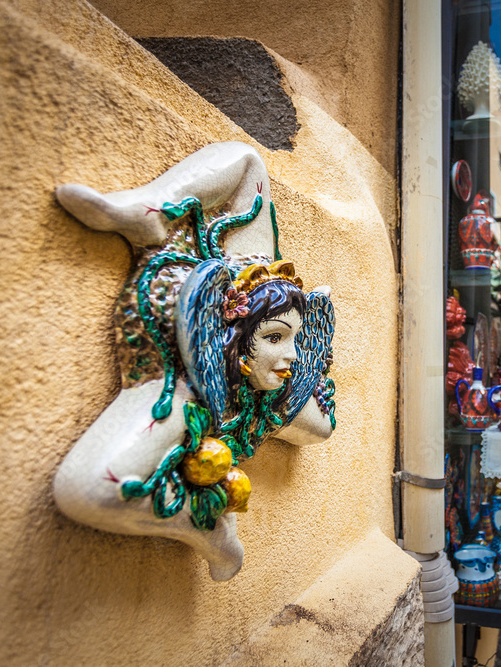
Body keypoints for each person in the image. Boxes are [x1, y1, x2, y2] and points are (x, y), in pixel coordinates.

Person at [52, 143, 336, 581]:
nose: (291, 357)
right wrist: (163, 207)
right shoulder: (184, 399)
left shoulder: (256, 281)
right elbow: (92, 491)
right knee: (89, 489)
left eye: (294, 338)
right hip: (203, 375)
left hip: (263, 402)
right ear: (230, 336)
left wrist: (293, 369)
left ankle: (212, 530)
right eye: (275, 337)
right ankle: (150, 211)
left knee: (320, 427)